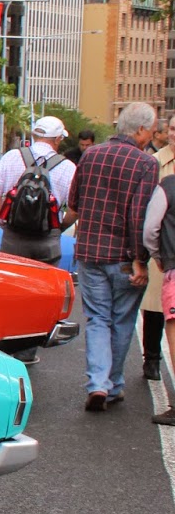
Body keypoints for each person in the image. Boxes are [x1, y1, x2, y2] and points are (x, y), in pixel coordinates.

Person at [70, 102, 159, 412]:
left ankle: (97, 383)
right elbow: (139, 216)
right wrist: (140, 258)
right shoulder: (145, 164)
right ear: (139, 130)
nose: (152, 135)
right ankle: (112, 384)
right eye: (151, 129)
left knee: (97, 319)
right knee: (121, 320)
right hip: (122, 255)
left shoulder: (90, 154)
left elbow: (75, 200)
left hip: (89, 251)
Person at [0, 115, 77, 266]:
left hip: (14, 237)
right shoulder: (68, 167)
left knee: (12, 283)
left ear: (34, 135)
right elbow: (74, 211)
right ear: (58, 139)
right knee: (44, 285)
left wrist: (5, 224)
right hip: (47, 239)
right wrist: (58, 229)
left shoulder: (11, 157)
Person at [140, 119, 175, 381]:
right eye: (172, 129)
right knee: (153, 309)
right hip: (161, 249)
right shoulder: (153, 162)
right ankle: (151, 358)